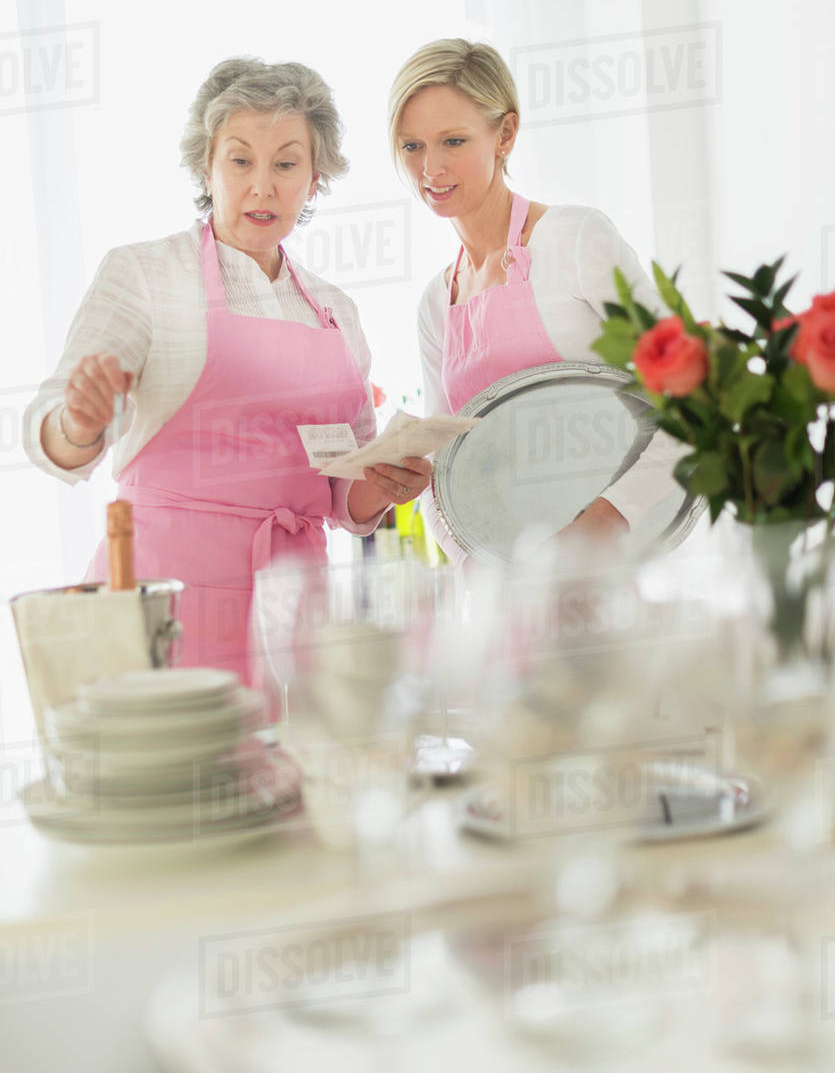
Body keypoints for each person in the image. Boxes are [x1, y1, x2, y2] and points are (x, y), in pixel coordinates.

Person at [24, 57, 431, 682]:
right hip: (161, 609)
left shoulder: (336, 311)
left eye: (286, 164)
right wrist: (79, 423)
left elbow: (343, 492)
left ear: (315, 180)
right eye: (240, 161)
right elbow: (51, 436)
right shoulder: (144, 274)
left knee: (286, 775)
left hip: (294, 617)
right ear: (207, 168)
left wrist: (385, 482)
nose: (262, 186)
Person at [387, 39, 682, 564]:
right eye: (412, 146)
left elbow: (694, 401)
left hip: (615, 565)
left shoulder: (575, 239)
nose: (430, 168)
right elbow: (442, 468)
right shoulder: (437, 302)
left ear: (505, 134)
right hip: (507, 591)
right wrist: (479, 569)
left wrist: (605, 521)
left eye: (452, 141)